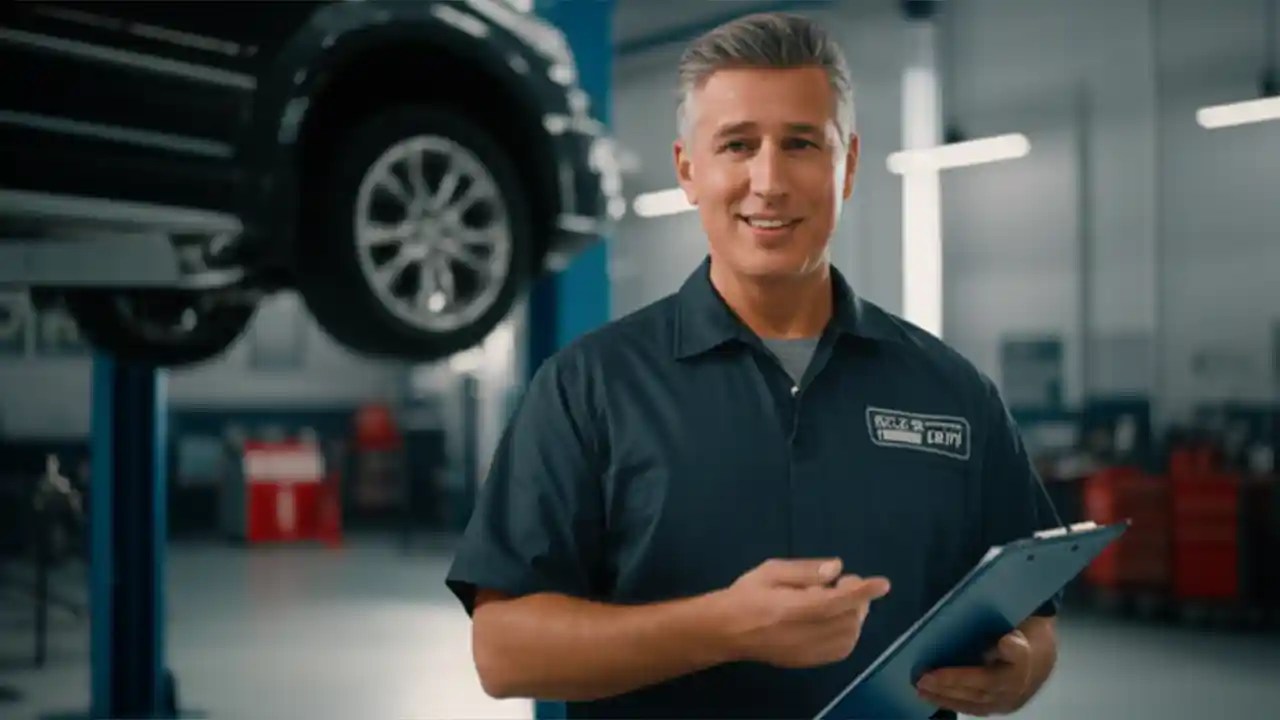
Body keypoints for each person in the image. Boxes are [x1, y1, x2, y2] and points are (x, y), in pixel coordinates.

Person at [446, 11, 1061, 720]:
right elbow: (505, 652)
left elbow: (1033, 615)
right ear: (688, 169)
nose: (768, 182)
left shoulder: (954, 393)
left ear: (848, 165)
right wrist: (723, 627)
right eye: (738, 145)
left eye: (801, 144)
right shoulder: (588, 390)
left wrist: (1023, 666)